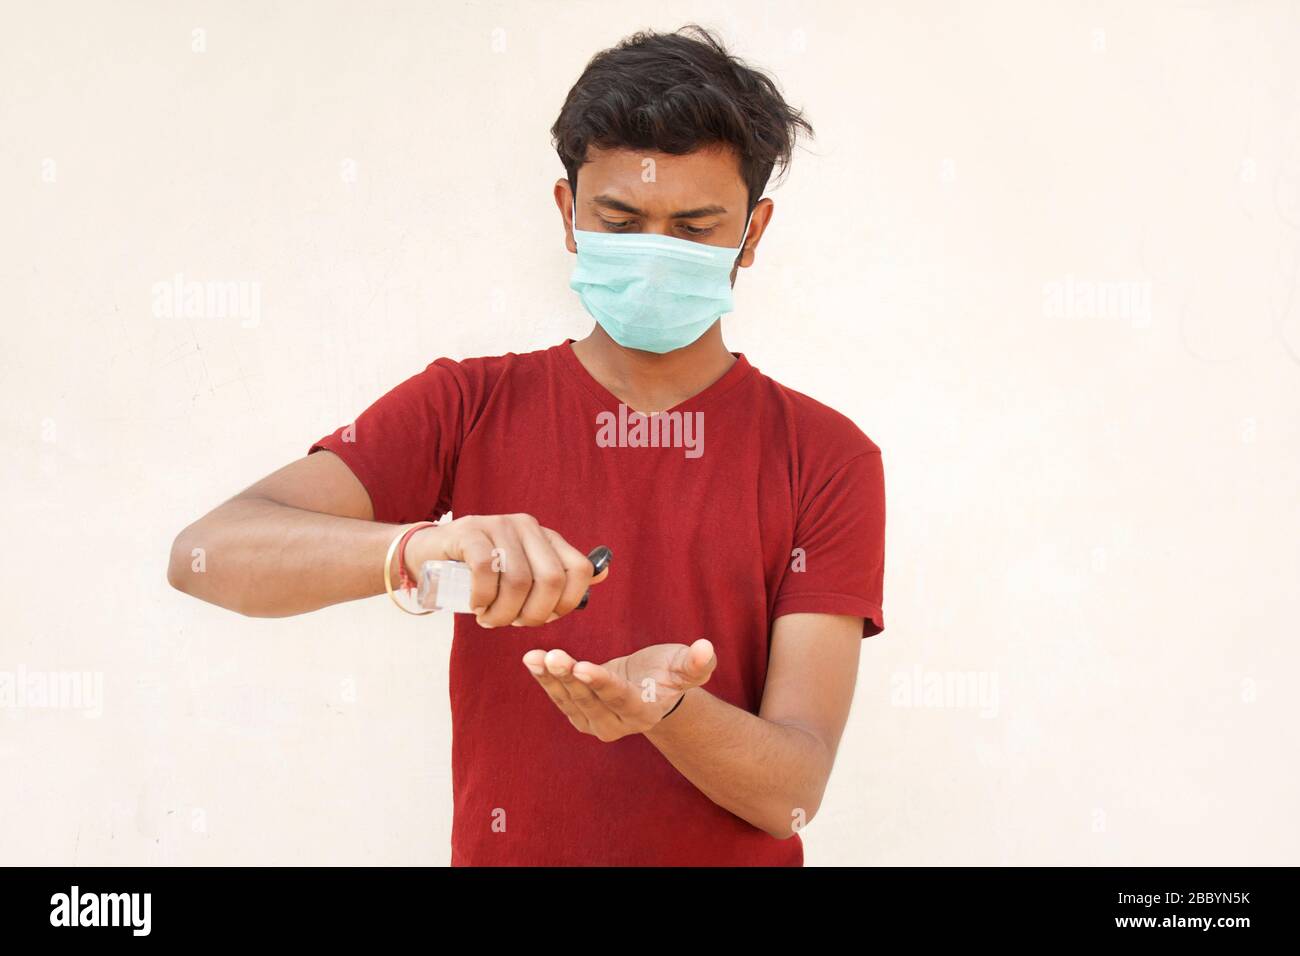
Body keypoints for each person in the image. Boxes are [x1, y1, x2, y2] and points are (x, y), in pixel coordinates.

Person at [168, 24, 886, 866]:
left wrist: (666, 709)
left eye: (694, 228)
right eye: (620, 219)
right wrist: (414, 546)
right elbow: (205, 554)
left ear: (753, 233)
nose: (654, 253)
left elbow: (790, 793)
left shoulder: (827, 457)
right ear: (568, 213)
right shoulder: (465, 405)